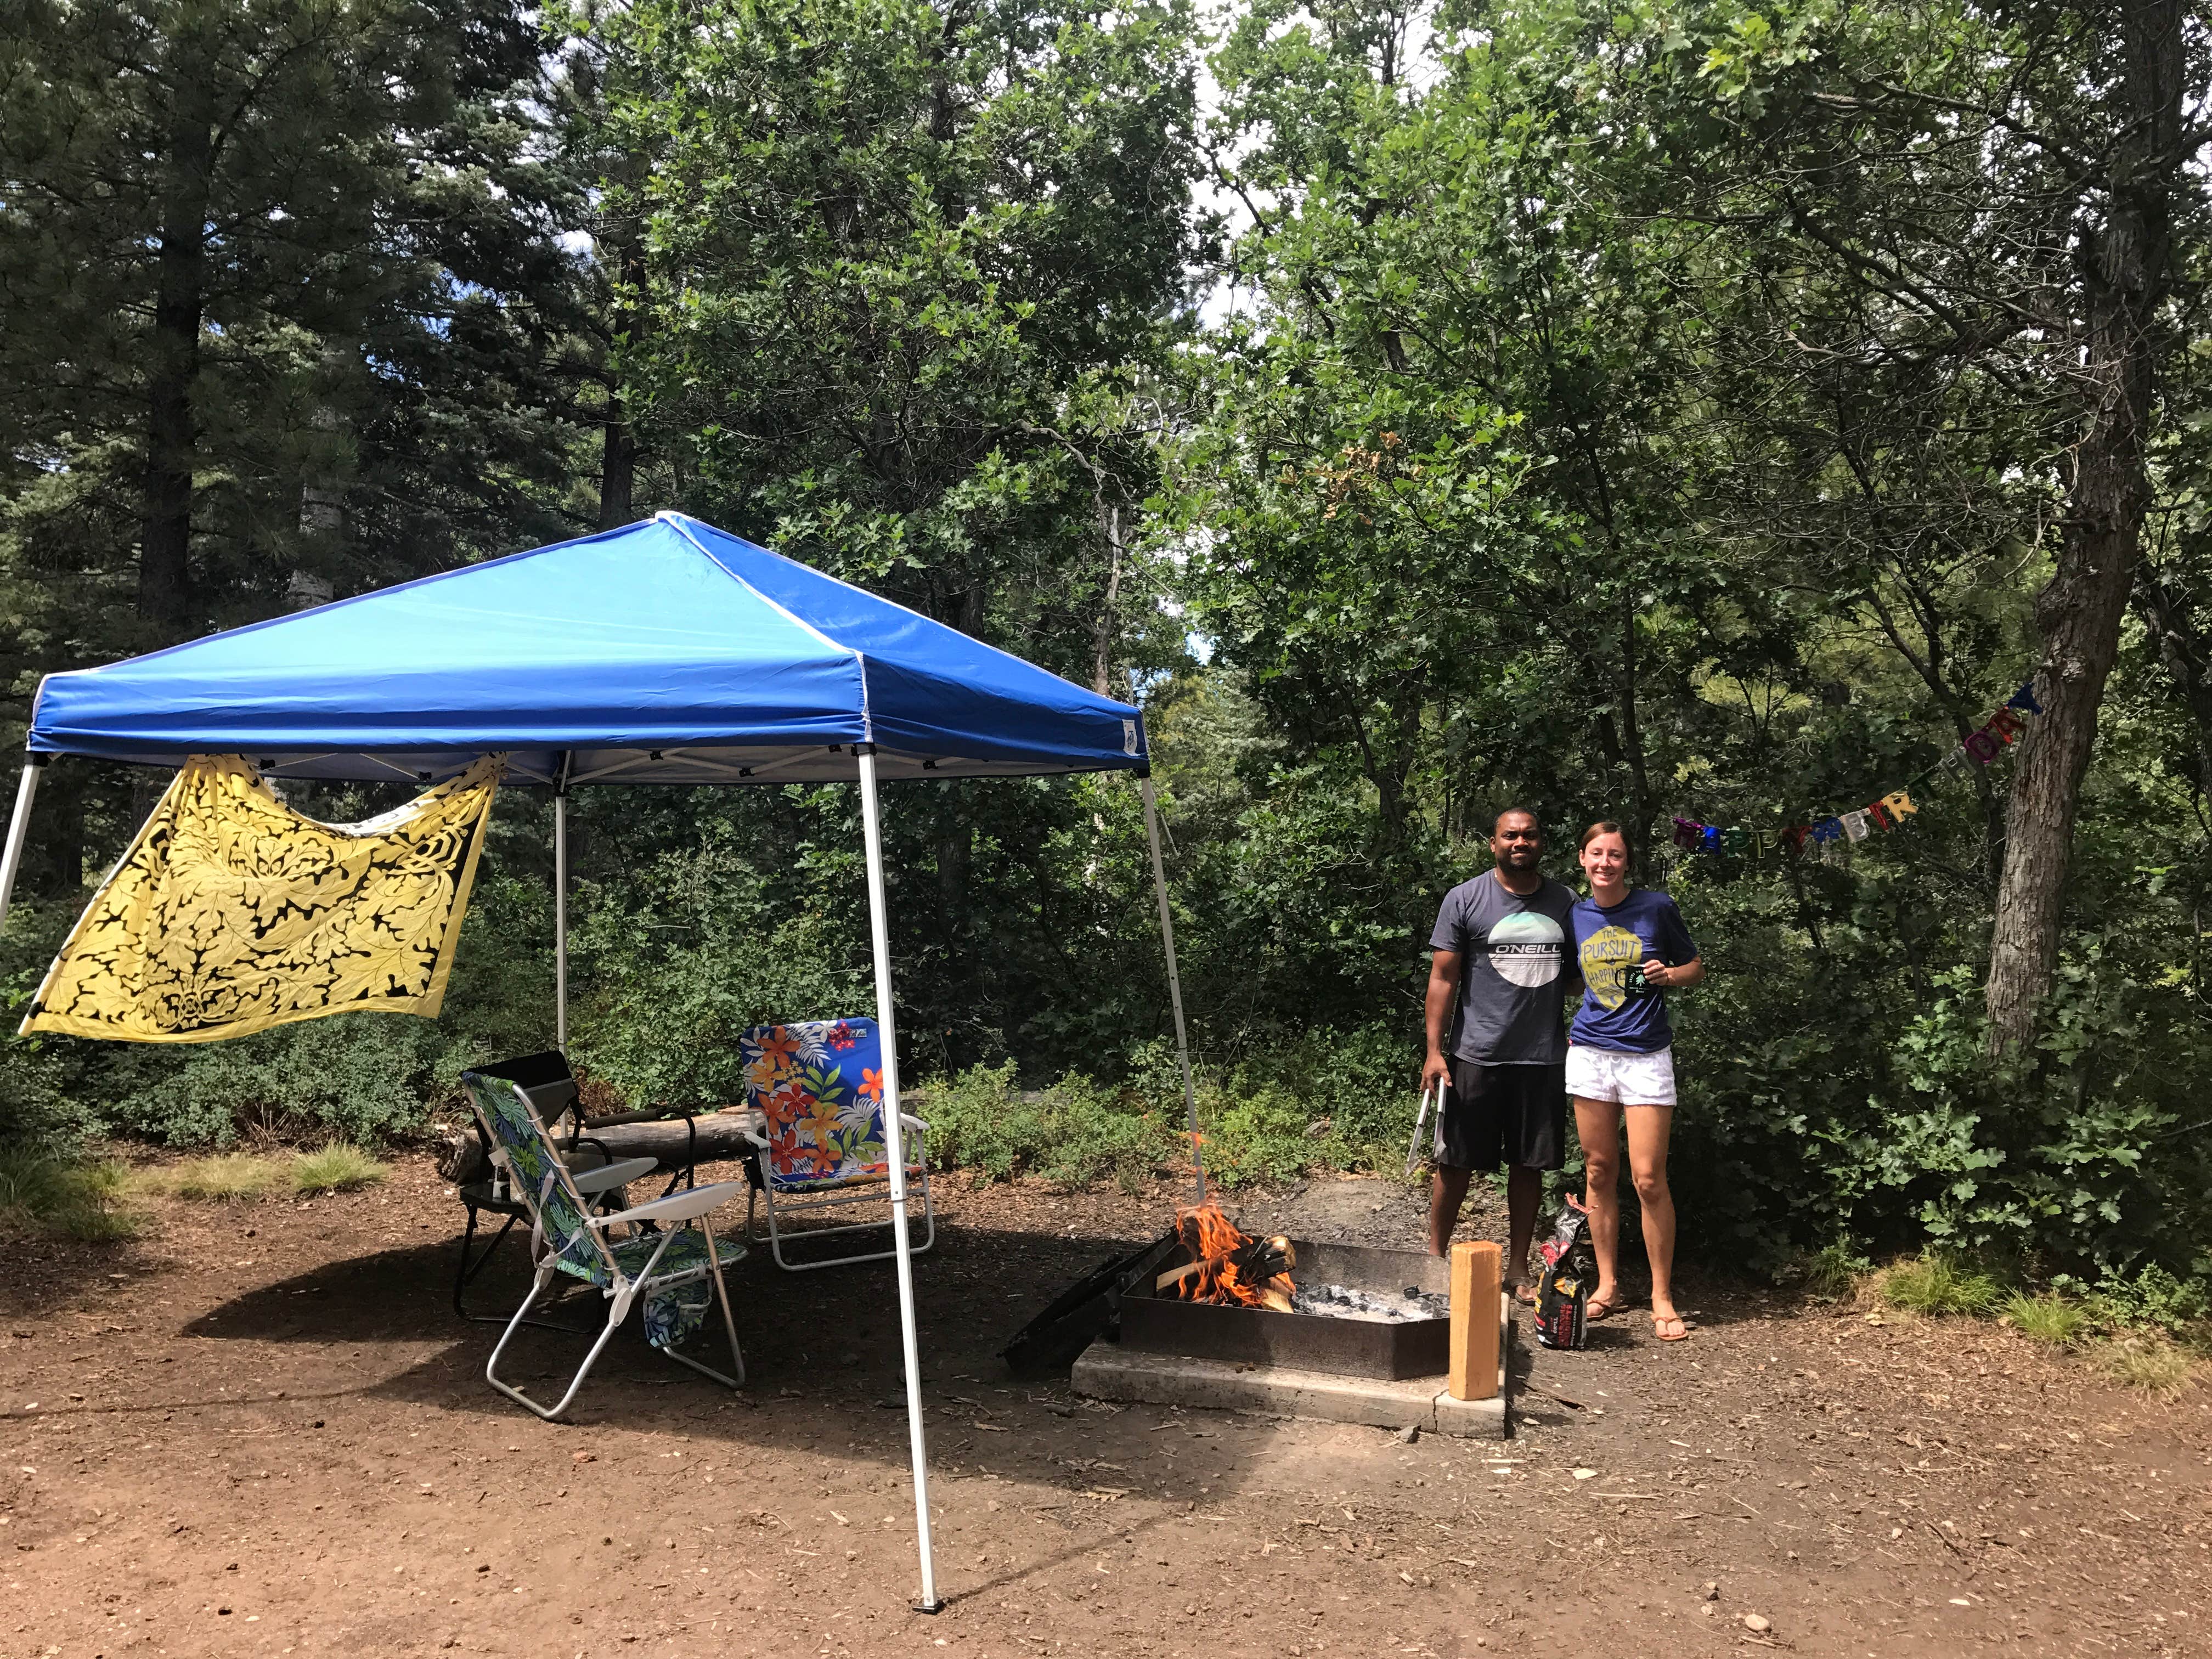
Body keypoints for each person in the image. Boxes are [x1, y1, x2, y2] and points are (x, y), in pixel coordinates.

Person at [1420, 808, 1578, 1297]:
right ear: (1494, 844)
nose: (1520, 842)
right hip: (1476, 1054)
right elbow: (1443, 978)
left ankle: (1518, 1269)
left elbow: (1581, 976)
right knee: (1456, 1161)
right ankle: (1434, 1260)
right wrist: (1433, 1051)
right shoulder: (1465, 899)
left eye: (1529, 835)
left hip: (1542, 1057)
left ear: (1541, 843)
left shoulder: (1567, 903)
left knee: (1528, 1166)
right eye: (1510, 835)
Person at [1566, 821, 1704, 1341]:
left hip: (1645, 1055)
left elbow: (1695, 967)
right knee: (1599, 1171)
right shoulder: (1573, 913)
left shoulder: (1656, 907)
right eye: (1597, 853)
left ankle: (1662, 1295)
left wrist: (1670, 975)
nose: (1605, 863)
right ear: (1582, 859)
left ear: (1627, 862)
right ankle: (1607, 1285)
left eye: (1616, 855)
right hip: (1589, 1053)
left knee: (1648, 1178)